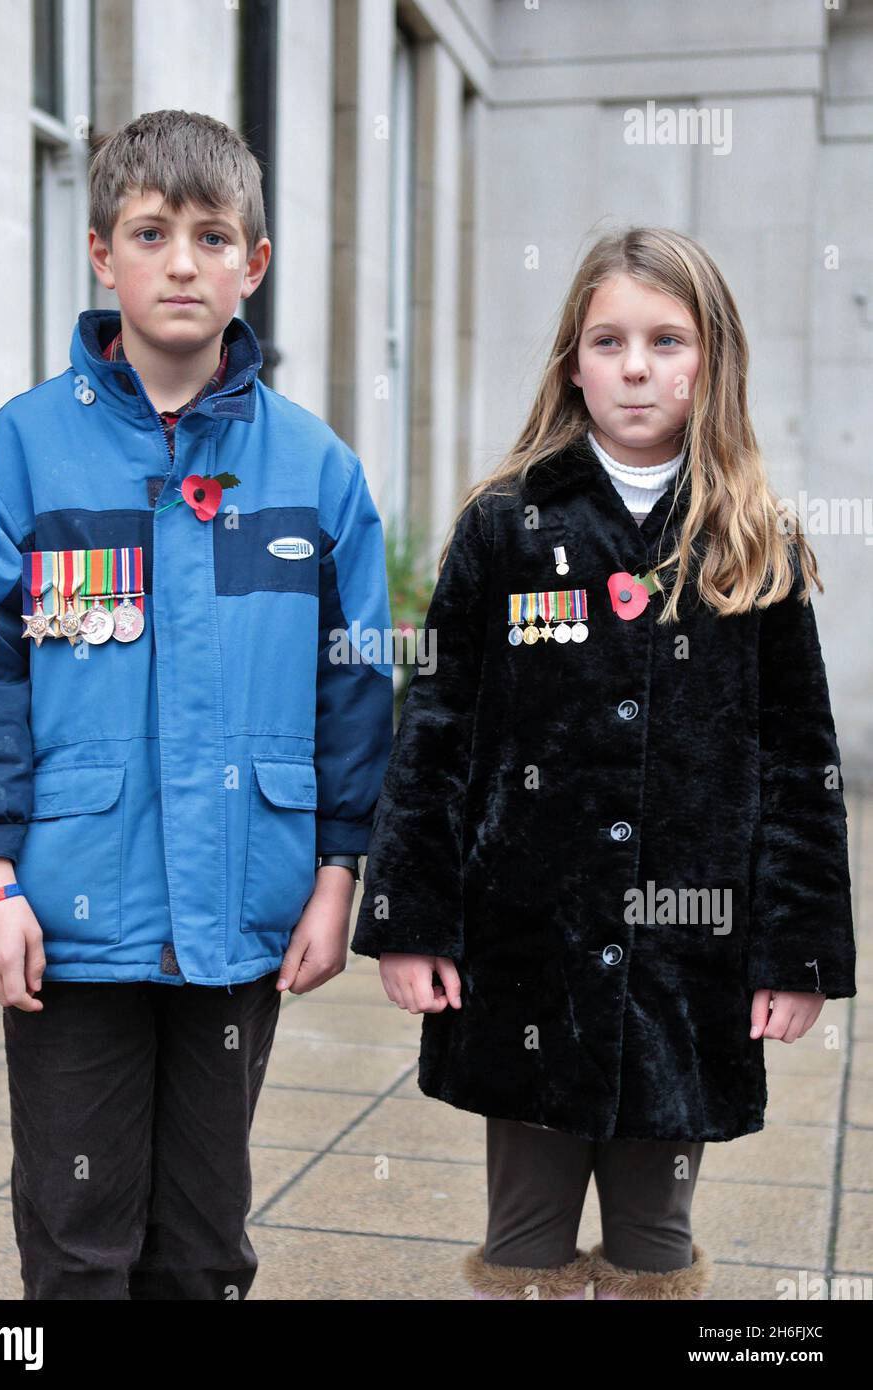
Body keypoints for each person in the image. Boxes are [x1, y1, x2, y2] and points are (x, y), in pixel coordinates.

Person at [0, 108, 394, 1300]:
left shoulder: (317, 472)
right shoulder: (17, 455)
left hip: (245, 915)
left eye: (213, 235)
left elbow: (358, 682)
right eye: (150, 231)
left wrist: (341, 874)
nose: (182, 261)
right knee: (79, 1237)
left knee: (205, 1239)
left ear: (255, 264)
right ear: (100, 254)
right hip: (70, 920)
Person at [351, 226, 856, 1301]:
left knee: (654, 1244)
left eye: (667, 341)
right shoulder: (506, 527)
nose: (637, 366)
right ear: (572, 361)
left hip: (690, 966)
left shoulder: (751, 541)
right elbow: (435, 732)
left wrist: (796, 950)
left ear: (712, 358)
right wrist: (411, 922)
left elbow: (799, 761)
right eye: (610, 340)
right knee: (524, 1238)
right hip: (524, 952)